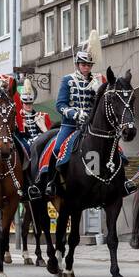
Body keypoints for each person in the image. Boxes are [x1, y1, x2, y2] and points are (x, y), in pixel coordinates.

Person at [32, 30, 101, 200]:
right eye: (83, 64)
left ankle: (119, 181)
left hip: (90, 127)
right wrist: (76, 114)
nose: (86, 68)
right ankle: (51, 182)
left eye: (89, 65)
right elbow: (60, 105)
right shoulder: (67, 80)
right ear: (77, 64)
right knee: (56, 148)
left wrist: (98, 89)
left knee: (113, 147)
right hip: (70, 126)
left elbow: (99, 106)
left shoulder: (96, 82)